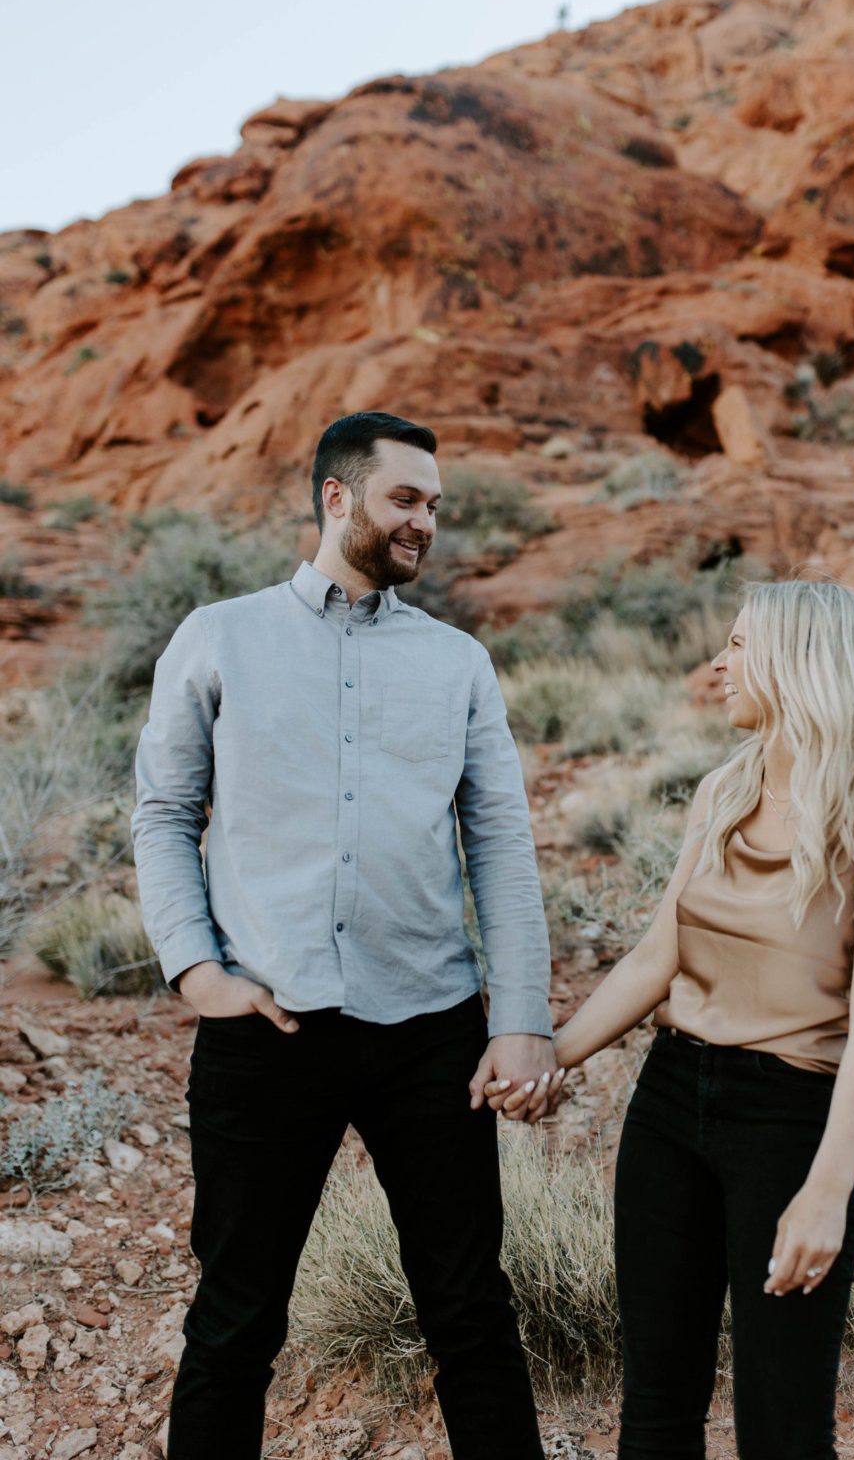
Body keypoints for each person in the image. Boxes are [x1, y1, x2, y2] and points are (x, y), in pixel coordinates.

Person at [131, 410, 562, 1460]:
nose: (424, 522)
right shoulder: (219, 636)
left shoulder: (458, 663)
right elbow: (160, 812)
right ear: (337, 496)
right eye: (405, 499)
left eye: (434, 506)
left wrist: (522, 1021)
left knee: (470, 1309)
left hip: (431, 1031)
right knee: (236, 1317)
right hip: (267, 1025)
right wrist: (195, 969)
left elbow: (500, 845)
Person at [488, 577, 854, 1460]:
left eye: (737, 646)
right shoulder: (721, 792)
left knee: (782, 1423)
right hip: (667, 1111)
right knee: (656, 1405)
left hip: (789, 1123)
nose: (715, 665)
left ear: (794, 659)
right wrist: (551, 1061)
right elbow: (658, 958)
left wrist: (825, 1191)